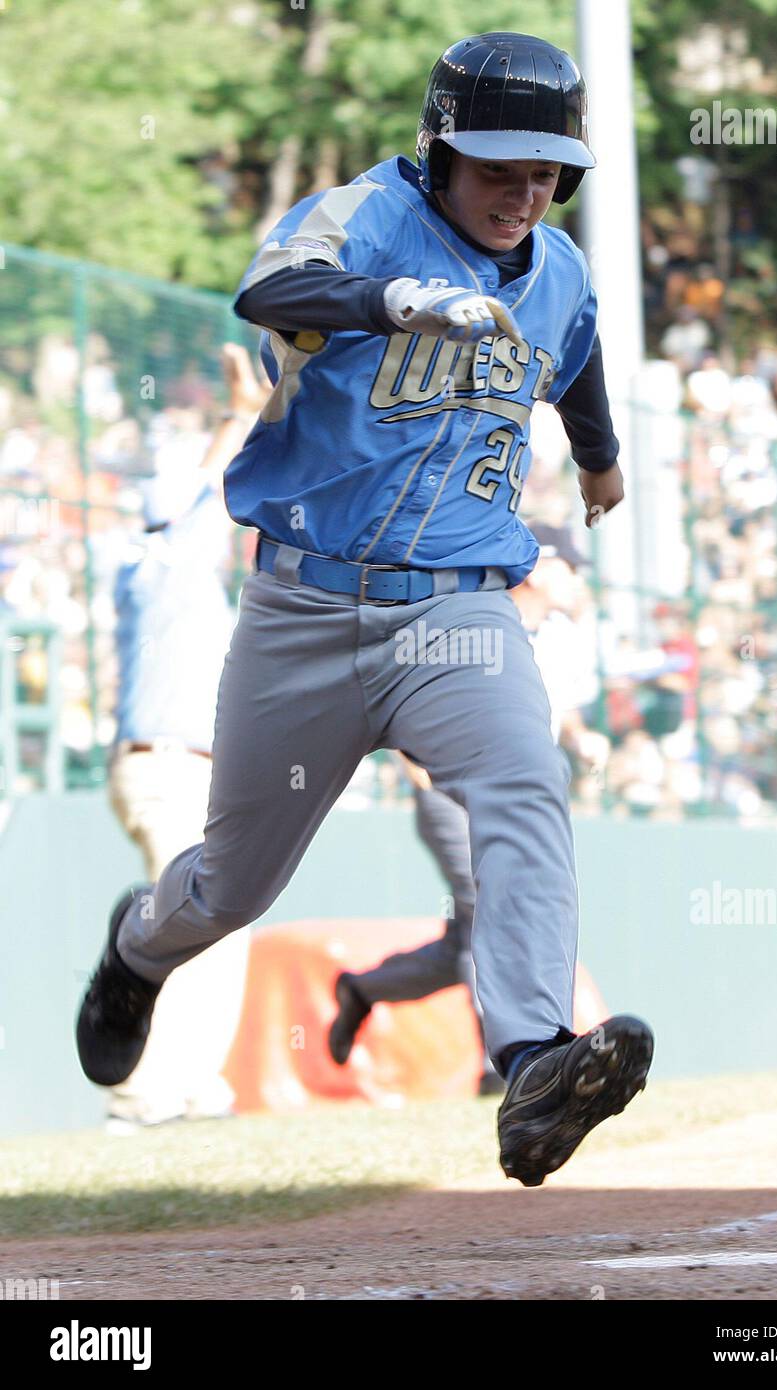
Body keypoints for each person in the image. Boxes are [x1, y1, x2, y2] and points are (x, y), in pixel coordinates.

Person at [76, 31, 654, 1189]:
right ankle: (139, 949)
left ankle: (533, 1059)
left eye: (544, 171)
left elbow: (575, 352)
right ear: (440, 147)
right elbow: (267, 287)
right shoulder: (366, 219)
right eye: (499, 166)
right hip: (303, 605)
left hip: (456, 615)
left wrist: (597, 460)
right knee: (233, 882)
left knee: (523, 782)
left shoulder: (559, 270)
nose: (524, 191)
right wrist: (396, 302)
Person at [327, 526, 605, 1095]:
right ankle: (505, 1059)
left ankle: (364, 989)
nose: (575, 579)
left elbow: (559, 707)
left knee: (466, 939)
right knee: (492, 908)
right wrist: (417, 768)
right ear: (540, 566)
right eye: (568, 566)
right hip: (449, 788)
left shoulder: (556, 636)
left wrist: (578, 737)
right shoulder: (474, 618)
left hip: (508, 793)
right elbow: (408, 689)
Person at [101, 345, 266, 1129]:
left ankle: (192, 1085)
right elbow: (205, 495)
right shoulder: (162, 556)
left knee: (223, 918)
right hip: (165, 766)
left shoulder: (168, 561)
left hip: (176, 765)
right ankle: (137, 1096)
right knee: (191, 916)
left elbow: (204, 497)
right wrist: (240, 415)